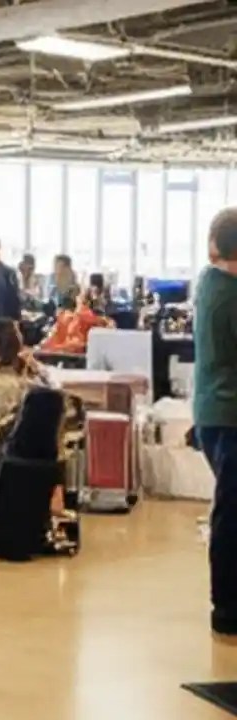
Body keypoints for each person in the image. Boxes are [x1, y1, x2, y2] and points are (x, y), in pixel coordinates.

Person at [193, 207, 237, 636]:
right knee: (231, 516)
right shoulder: (229, 295)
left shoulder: (209, 283)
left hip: (212, 414)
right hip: (229, 417)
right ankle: (227, 609)